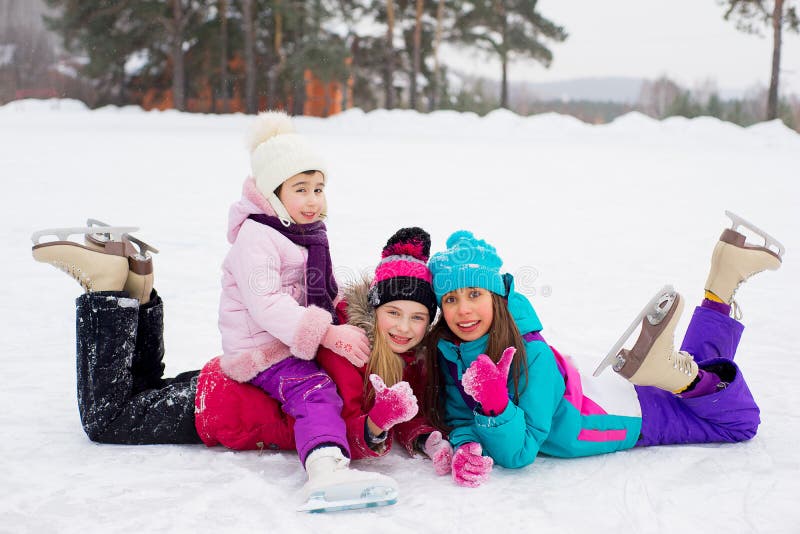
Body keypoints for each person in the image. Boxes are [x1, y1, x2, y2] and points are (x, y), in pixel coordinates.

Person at [423, 213, 784, 488]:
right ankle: (724, 275)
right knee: (702, 376)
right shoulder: (454, 353)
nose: (463, 310)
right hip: (606, 391)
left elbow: (519, 453)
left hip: (620, 418)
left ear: (497, 298)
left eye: (474, 295)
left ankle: (673, 373)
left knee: (738, 422)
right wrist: (467, 444)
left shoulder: (532, 355)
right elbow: (459, 417)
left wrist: (495, 405)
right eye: (451, 299)